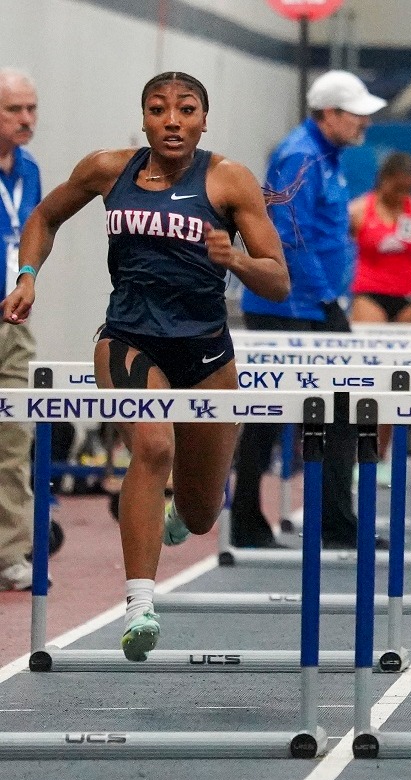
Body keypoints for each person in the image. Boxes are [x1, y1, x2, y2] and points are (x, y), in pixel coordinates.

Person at [0, 72, 289, 659]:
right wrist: (28, 276)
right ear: (145, 119)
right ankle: (139, 605)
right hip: (129, 339)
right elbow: (45, 218)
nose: (172, 120)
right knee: (153, 447)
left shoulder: (229, 179)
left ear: (203, 121)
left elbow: (279, 280)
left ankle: (183, 508)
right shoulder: (108, 169)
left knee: (206, 514)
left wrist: (234, 257)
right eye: (158, 110)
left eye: (186, 110)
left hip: (205, 348)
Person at [232, 69, 386, 550]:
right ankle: (322, 522)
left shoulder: (326, 155)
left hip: (310, 303)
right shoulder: (301, 154)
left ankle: (313, 519)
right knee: (317, 409)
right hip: (293, 307)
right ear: (330, 113)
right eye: (357, 114)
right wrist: (326, 301)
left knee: (299, 411)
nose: (365, 123)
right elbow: (290, 237)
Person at [0, 68, 40, 591]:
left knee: (14, 434)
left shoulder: (29, 168)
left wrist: (28, 281)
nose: (27, 119)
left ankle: (9, 551)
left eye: (32, 109)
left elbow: (32, 232)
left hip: (15, 319)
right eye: (13, 110)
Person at [349, 151, 411, 324]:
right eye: (397, 188)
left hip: (408, 296)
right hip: (369, 295)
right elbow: (341, 255)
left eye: (408, 190)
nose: (402, 195)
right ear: (383, 179)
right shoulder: (358, 210)